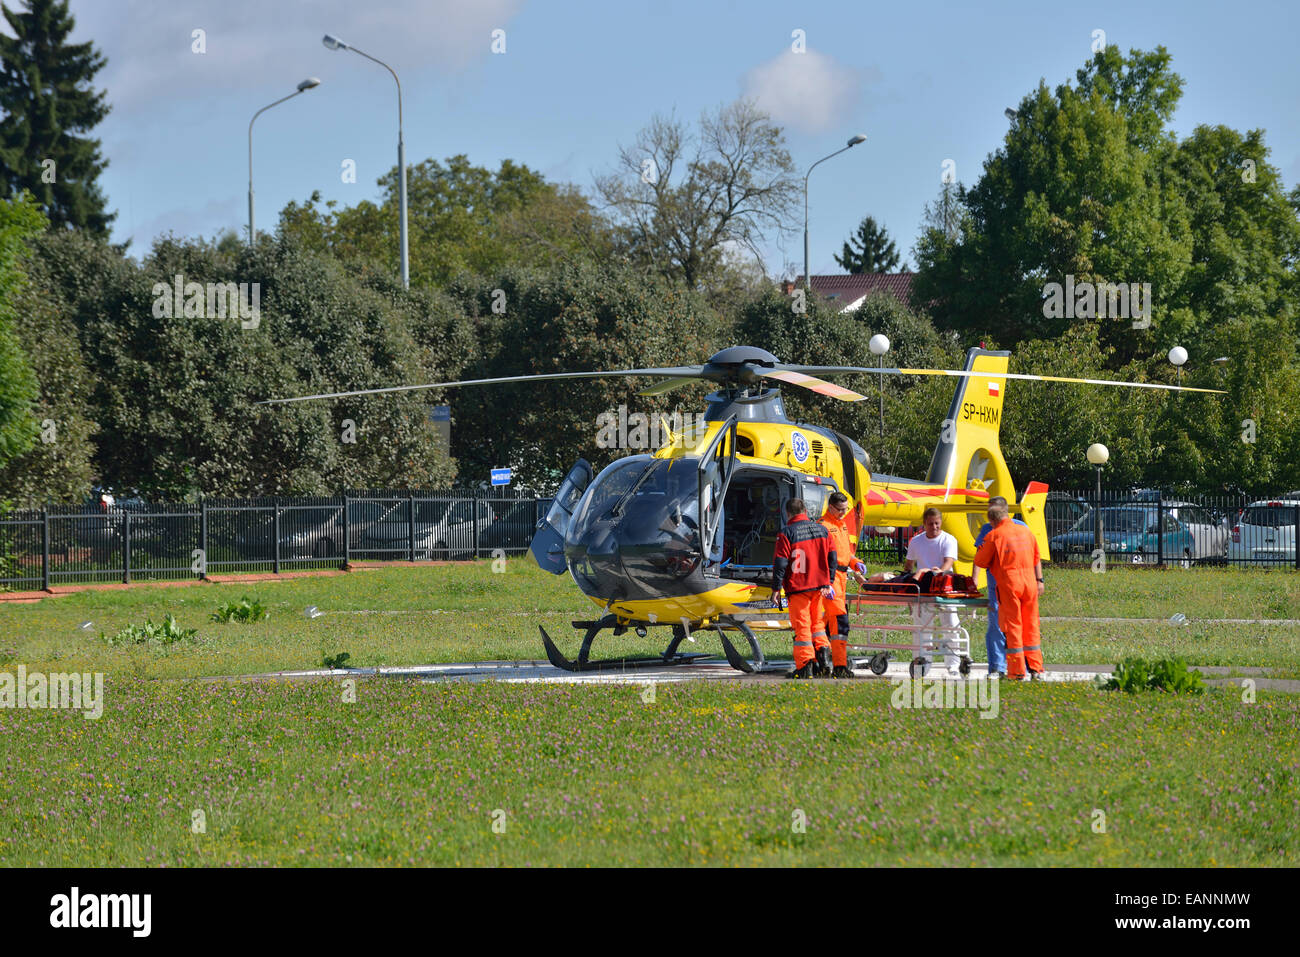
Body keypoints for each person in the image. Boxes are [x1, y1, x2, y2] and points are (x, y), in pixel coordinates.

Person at [973, 501, 1045, 681]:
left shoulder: (993, 534)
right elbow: (1036, 556)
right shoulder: (1026, 532)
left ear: (992, 521)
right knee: (1031, 626)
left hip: (1009, 586)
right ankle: (1036, 670)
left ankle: (1017, 671)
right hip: (1030, 584)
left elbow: (981, 561)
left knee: (1013, 627)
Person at [773, 498, 837, 679]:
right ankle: (824, 659)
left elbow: (781, 563)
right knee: (817, 625)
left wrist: (776, 588)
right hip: (819, 587)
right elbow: (833, 557)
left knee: (802, 627)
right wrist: (829, 581)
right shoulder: (822, 530)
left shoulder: (786, 533)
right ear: (806, 511)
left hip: (798, 587)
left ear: (788, 514)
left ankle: (805, 666)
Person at [904, 506, 961, 674]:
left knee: (950, 624)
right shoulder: (916, 541)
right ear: (924, 524)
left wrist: (938, 572)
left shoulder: (949, 539)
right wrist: (907, 582)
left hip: (943, 586)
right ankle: (922, 664)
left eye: (937, 523)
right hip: (923, 588)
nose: (934, 527)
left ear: (941, 522)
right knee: (921, 627)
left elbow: (948, 562)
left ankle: (953, 664)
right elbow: (908, 565)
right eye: (930, 524)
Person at [820, 492, 868, 678]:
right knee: (840, 622)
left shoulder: (842, 526)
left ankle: (822, 662)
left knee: (825, 624)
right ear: (831, 507)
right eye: (840, 510)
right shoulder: (823, 527)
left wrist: (855, 562)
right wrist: (826, 582)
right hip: (830, 580)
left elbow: (845, 554)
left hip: (841, 578)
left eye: (845, 509)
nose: (843, 513)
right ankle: (838, 666)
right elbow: (820, 559)